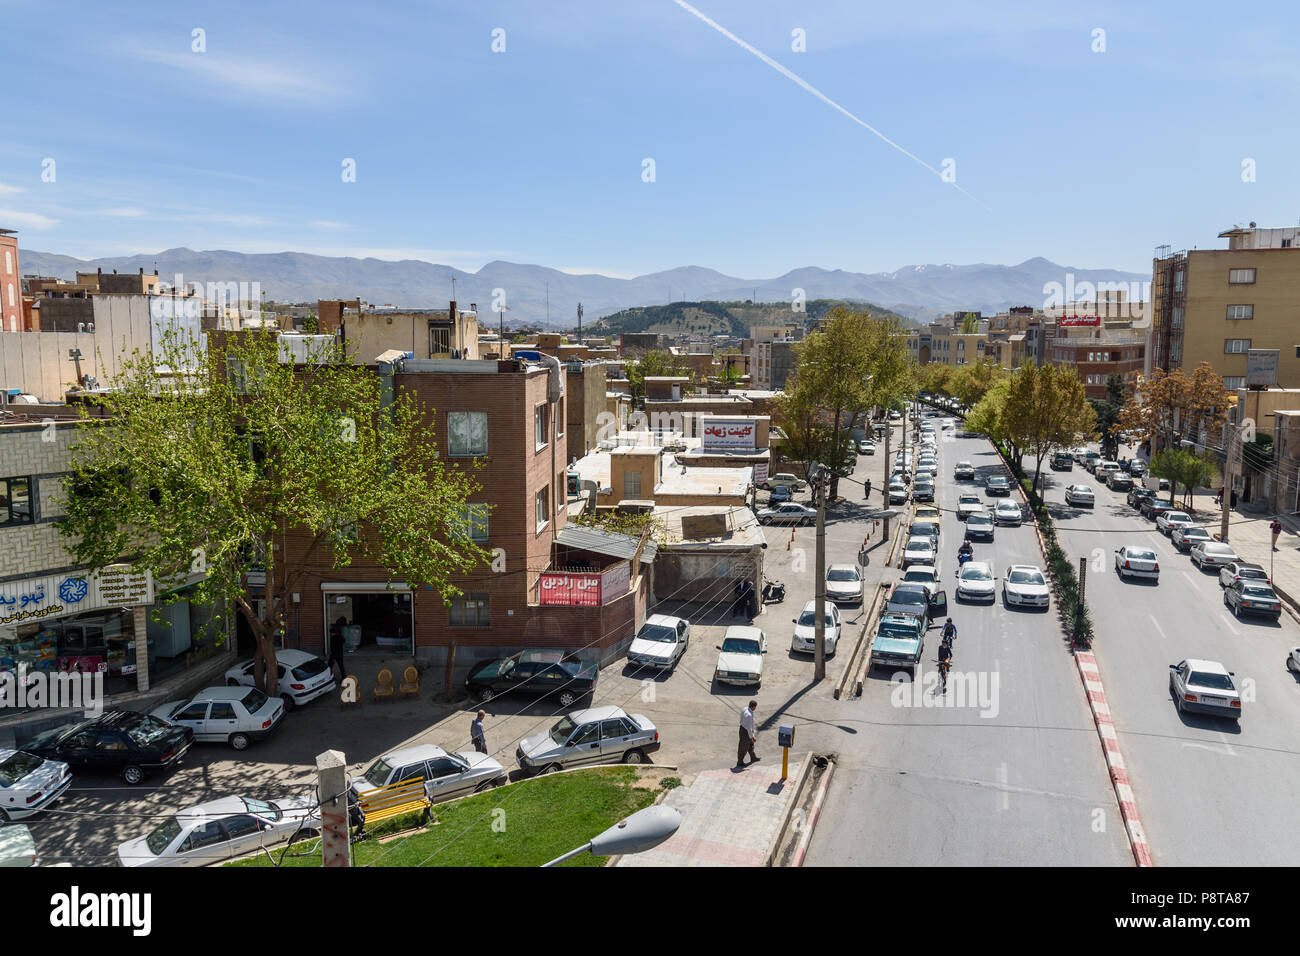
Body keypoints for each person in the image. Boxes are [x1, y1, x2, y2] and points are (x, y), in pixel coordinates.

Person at [737, 700, 759, 767]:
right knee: (743, 747)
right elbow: (749, 728)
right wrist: (752, 737)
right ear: (753, 707)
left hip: (742, 728)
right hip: (745, 732)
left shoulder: (745, 708)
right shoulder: (749, 715)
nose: (755, 708)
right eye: (755, 707)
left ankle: (753, 757)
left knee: (750, 745)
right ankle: (740, 762)